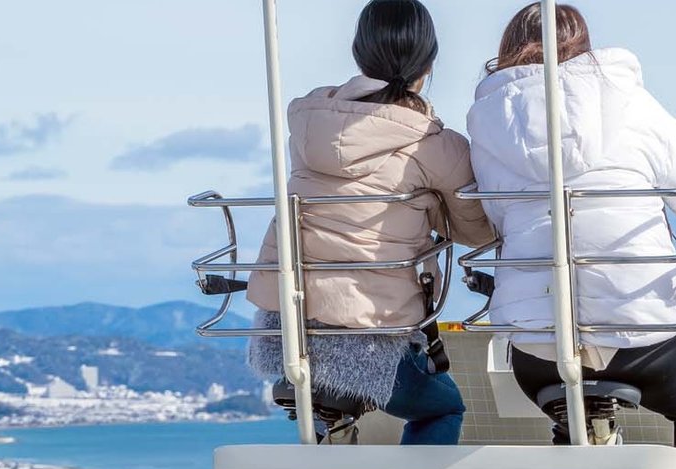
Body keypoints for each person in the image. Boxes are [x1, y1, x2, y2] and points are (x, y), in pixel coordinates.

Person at [247, 0, 494, 445]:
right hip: (371, 342)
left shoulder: (308, 126)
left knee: (323, 402)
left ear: (359, 53)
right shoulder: (434, 145)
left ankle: (334, 457)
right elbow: (477, 230)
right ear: (429, 63)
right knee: (443, 407)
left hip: (287, 334)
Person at [467, 3, 676, 443]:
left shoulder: (487, 121)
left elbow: (496, 217)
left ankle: (582, 447)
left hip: (538, 348)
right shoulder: (630, 99)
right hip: (643, 331)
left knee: (562, 387)